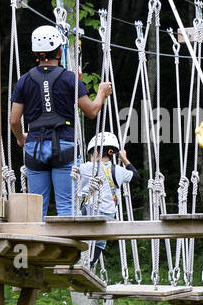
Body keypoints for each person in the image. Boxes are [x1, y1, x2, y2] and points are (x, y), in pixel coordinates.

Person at [9, 25, 112, 216]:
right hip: (64, 145)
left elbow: (14, 120)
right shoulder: (69, 79)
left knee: (36, 209)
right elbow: (92, 111)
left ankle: (36, 245)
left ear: (35, 53)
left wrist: (21, 139)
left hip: (35, 146)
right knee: (67, 206)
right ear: (59, 50)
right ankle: (68, 246)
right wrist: (101, 93)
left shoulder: (24, 81)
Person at [76, 132, 136, 268]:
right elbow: (135, 175)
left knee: (78, 229)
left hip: (91, 210)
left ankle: (78, 262)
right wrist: (125, 159)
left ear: (96, 153)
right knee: (100, 242)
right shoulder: (118, 170)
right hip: (109, 214)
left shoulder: (87, 167)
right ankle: (90, 264)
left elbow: (72, 174)